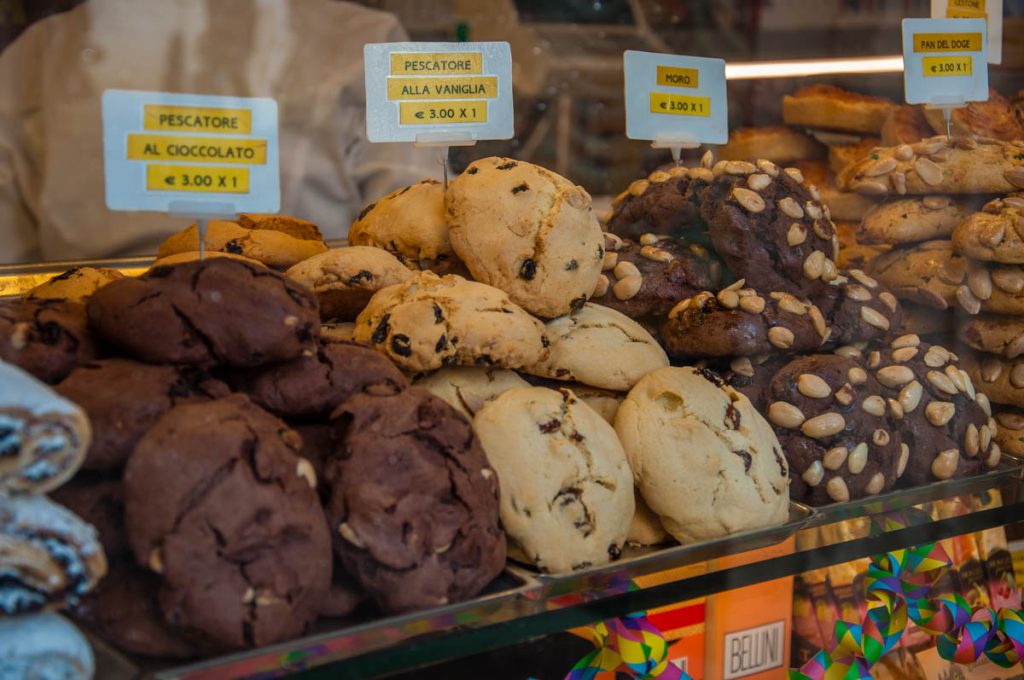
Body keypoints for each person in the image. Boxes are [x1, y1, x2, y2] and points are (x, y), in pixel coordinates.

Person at [0, 0, 438, 264]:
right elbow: (408, 234)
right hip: (88, 333)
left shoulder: (42, 52)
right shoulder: (40, 55)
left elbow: (407, 229)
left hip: (307, 324)